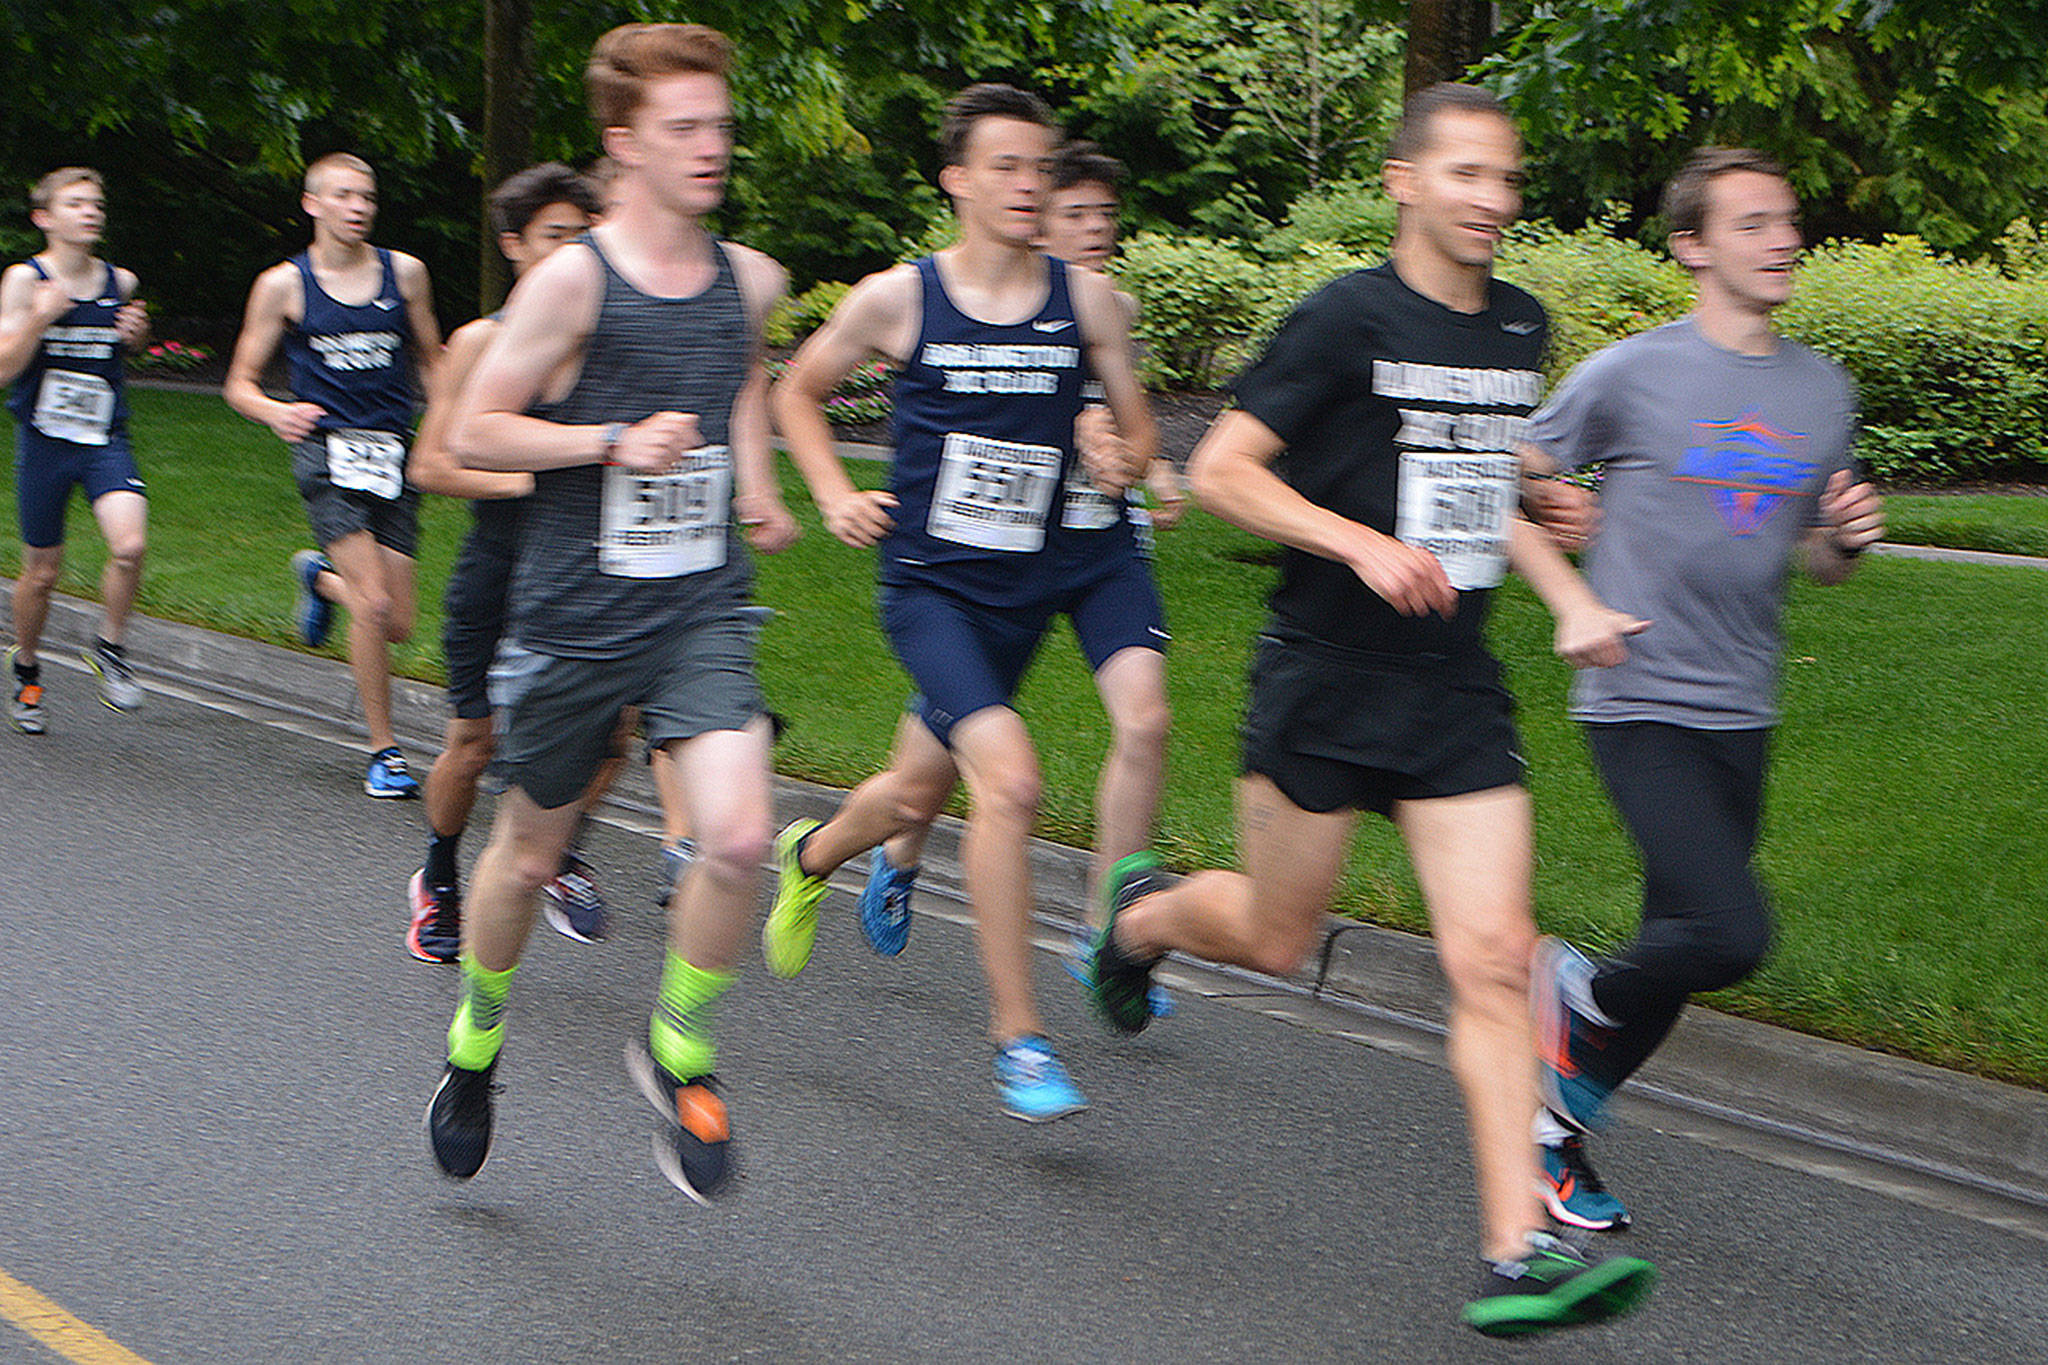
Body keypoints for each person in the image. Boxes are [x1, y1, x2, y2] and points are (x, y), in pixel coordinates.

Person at [1083, 84, 1658, 1335]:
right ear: (1403, 181)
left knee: (1494, 956)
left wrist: (1554, 541)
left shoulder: (1517, 326)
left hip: (1452, 684)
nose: (1491, 202)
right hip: (1324, 675)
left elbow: (1474, 475)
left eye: (1505, 179)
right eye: (1464, 176)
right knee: (1278, 938)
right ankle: (1140, 924)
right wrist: (1351, 541)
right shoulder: (1341, 318)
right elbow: (1227, 470)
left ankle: (1515, 1250)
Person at [423, 21, 797, 1202]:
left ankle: (681, 1048)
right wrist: (606, 442)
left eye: (721, 126)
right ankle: (475, 1047)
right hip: (575, 617)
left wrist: (759, 483)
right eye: (685, 128)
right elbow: (473, 431)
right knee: (528, 860)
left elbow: (738, 381)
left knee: (738, 837)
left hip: (697, 606)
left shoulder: (750, 279)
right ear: (623, 144)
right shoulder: (574, 280)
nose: (711, 147)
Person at [766, 84, 1157, 1122]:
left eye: (1039, 167)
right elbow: (794, 393)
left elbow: (1140, 437)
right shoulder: (898, 298)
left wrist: (1123, 458)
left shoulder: (1084, 302)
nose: (1027, 185)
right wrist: (835, 490)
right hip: (936, 589)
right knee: (1010, 786)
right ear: (956, 181)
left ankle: (807, 856)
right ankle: (1018, 1039)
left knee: (911, 794)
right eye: (1005, 167)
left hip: (1042, 580)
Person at [1519, 146, 1884, 1235]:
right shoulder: (1630, 372)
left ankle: (1552, 1138)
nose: (1781, 241)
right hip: (1636, 689)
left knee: (1678, 937)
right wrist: (1550, 513)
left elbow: (1817, 555)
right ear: (1690, 247)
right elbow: (1516, 461)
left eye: (1787, 223)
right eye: (1752, 224)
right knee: (1726, 932)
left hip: (1744, 701)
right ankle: (1576, 997)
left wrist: (1849, 543)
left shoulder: (1822, 391)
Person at [858, 139, 1182, 984]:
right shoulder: (970, 300)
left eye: (1103, 215)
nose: (1092, 229)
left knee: (1145, 719)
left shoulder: (1107, 306)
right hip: (989, 557)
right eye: (1074, 213)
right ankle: (884, 856)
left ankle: (1103, 932)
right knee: (922, 782)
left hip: (1095, 547)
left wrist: (1147, 464)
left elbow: (1133, 420)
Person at [403, 162, 614, 963]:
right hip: (498, 564)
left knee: (615, 735)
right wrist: (536, 470)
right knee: (475, 741)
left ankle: (556, 852)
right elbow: (431, 465)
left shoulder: (602, 341)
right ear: (515, 246)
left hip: (585, 570)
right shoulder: (482, 341)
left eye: (585, 237)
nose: (574, 252)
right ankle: (440, 874)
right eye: (557, 236)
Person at [224, 152, 442, 797]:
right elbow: (240, 382)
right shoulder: (283, 286)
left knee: (398, 622)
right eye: (344, 195)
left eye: (368, 196)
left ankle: (318, 579)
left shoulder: (405, 275)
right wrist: (276, 412)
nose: (359, 208)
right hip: (326, 452)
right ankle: (385, 753)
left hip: (392, 451)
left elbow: (433, 360)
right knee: (374, 607)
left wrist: (449, 427)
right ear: (312, 204)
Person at [0, 168, 150, 730]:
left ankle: (110, 648)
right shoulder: (25, 280)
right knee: (41, 572)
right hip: (44, 443)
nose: (91, 212)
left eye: (97, 204)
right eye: (76, 203)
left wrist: (135, 337)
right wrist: (40, 316)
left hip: (104, 438)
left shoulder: (121, 281)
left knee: (130, 545)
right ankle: (29, 671)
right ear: (45, 218)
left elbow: (124, 347)